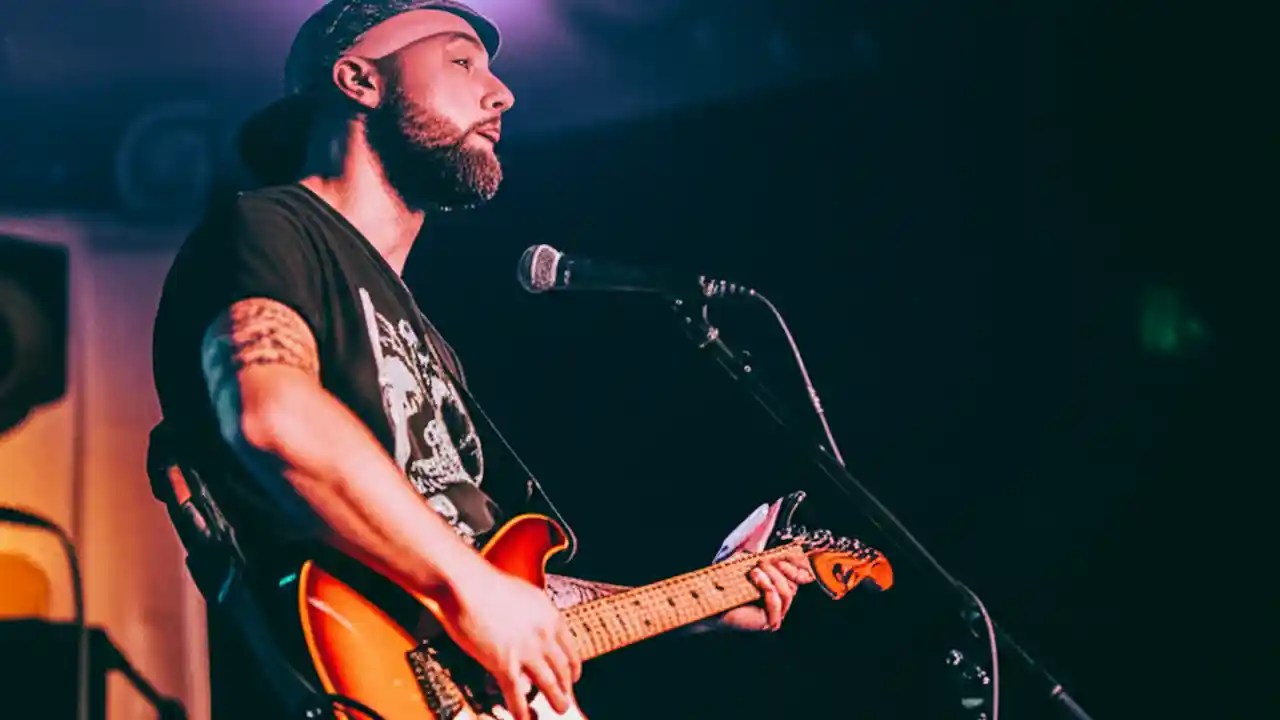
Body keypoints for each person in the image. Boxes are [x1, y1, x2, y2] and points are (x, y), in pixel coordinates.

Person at [150, 2, 814, 718]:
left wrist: (699, 602)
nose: (502, 94)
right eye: (462, 61)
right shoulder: (270, 226)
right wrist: (469, 587)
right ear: (357, 81)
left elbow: (510, 584)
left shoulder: (429, 341)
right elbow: (272, 413)